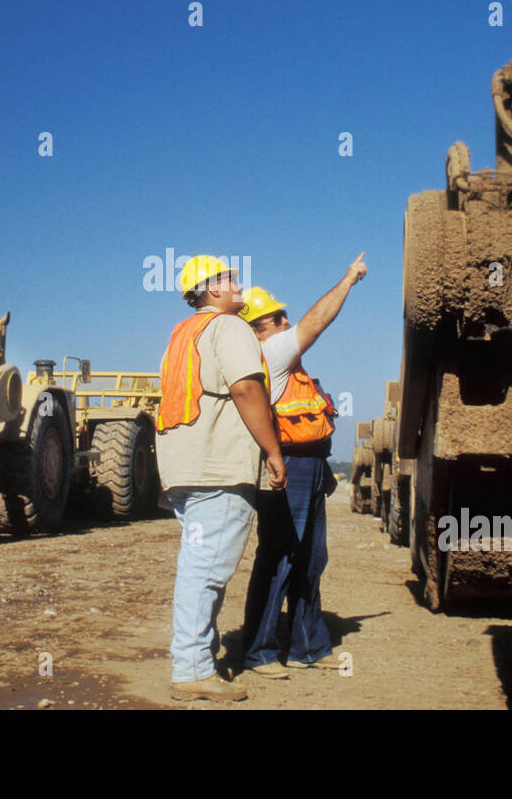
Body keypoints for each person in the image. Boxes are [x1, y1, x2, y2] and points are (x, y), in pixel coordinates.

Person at [156, 255, 286, 702]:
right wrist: (272, 451)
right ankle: (191, 668)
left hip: (182, 467)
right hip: (219, 465)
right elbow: (246, 388)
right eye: (230, 279)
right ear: (211, 289)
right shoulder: (230, 328)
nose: (238, 285)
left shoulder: (182, 333)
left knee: (200, 565)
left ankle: (200, 655)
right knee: (206, 570)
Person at [238, 253, 367, 678]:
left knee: (311, 558)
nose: (286, 322)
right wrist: (347, 280)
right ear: (261, 328)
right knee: (279, 556)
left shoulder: (283, 358)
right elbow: (316, 322)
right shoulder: (271, 353)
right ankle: (258, 651)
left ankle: (307, 646)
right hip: (287, 467)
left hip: (310, 466)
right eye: (278, 317)